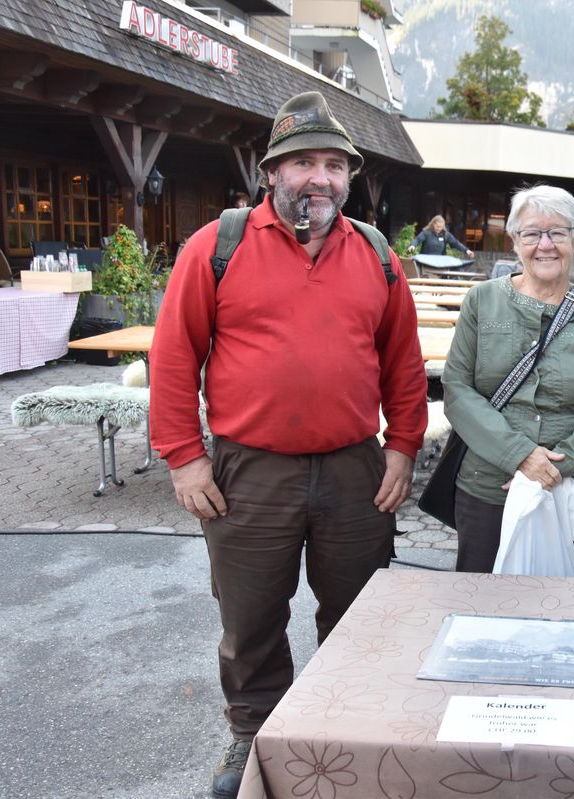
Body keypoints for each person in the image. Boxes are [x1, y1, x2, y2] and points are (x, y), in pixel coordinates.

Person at [149, 91, 427, 799]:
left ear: (349, 178)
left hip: (355, 468)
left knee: (358, 610)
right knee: (250, 616)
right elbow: (174, 356)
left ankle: (345, 726)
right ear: (272, 172)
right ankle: (254, 731)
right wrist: (184, 456)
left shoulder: (376, 254)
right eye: (304, 162)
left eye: (334, 165)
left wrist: (402, 447)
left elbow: (402, 363)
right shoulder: (218, 245)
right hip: (249, 470)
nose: (320, 179)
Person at [442, 185, 574, 573]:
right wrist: (521, 456)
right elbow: (457, 390)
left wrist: (557, 466)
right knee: (480, 598)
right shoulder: (482, 301)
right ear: (514, 241)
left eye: (557, 232)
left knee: (556, 601)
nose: (545, 244)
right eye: (532, 233)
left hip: (567, 490)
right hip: (488, 484)